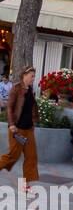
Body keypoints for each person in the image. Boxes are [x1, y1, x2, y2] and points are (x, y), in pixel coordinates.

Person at [1, 67, 40, 196]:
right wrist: (11, 124)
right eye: (32, 76)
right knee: (13, 156)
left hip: (29, 129)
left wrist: (34, 121)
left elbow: (31, 108)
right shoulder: (16, 88)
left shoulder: (30, 90)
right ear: (24, 75)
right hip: (17, 129)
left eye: (34, 76)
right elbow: (10, 108)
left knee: (31, 157)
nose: (33, 78)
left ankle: (26, 186)